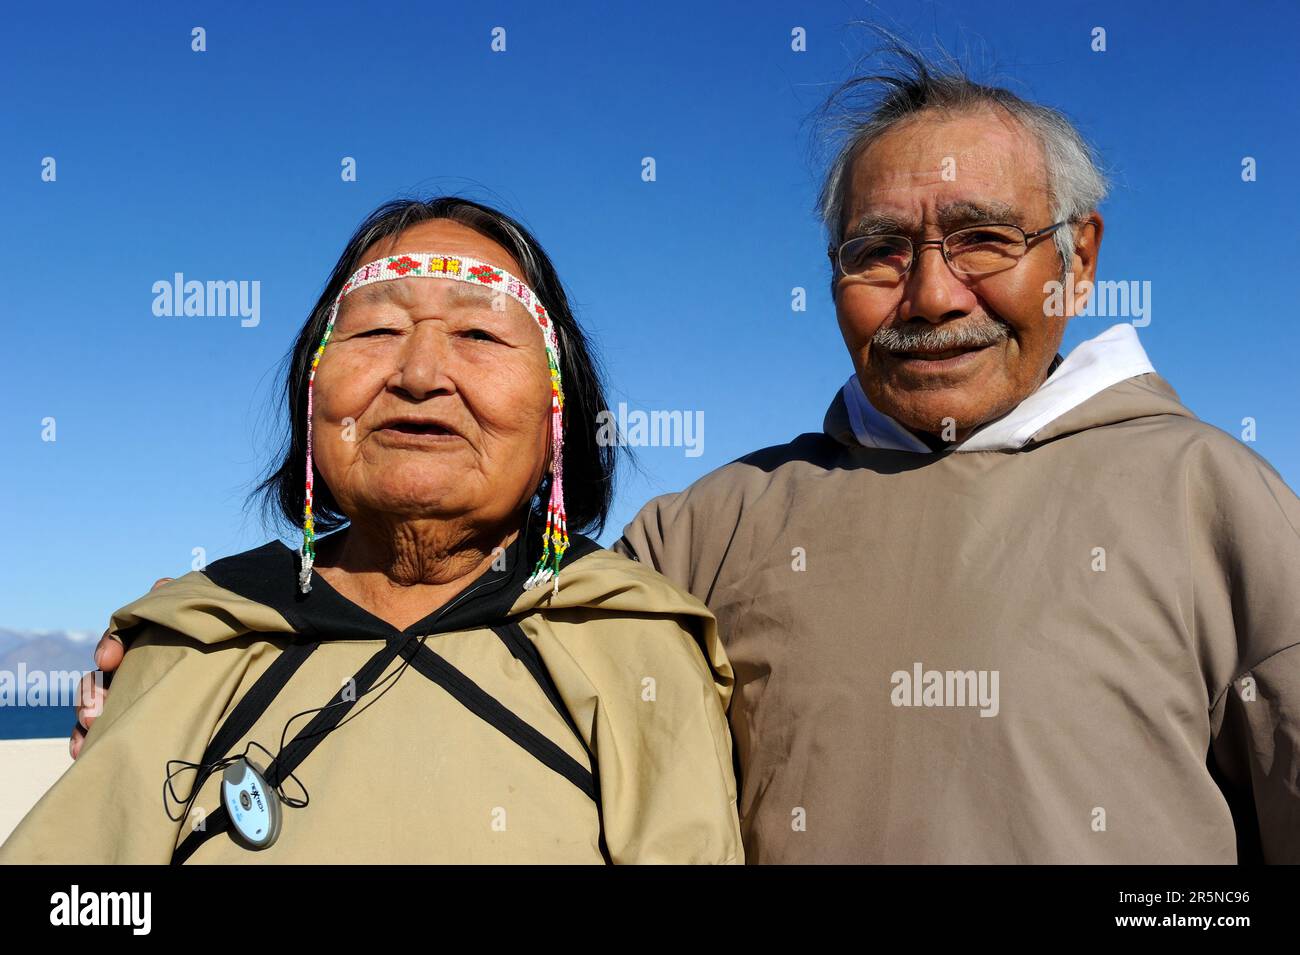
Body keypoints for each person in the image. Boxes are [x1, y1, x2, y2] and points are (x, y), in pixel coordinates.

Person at [70, 41, 1300, 865]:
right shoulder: (710, 531)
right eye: (880, 252)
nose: (932, 291)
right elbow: (472, 606)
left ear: (1076, 260)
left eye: (982, 238)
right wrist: (186, 650)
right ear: (831, 279)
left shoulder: (1213, 501)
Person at [2, 197, 742, 864]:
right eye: (379, 328)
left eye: (481, 332)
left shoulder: (636, 648)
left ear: (558, 411)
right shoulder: (196, 639)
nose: (419, 372)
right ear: (312, 389)